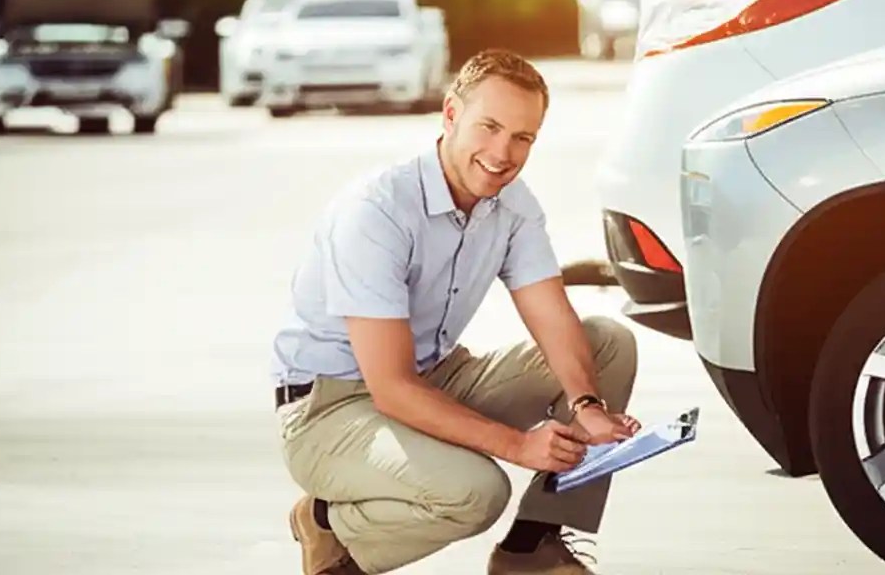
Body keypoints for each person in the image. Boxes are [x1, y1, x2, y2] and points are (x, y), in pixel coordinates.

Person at [271, 49, 640, 575]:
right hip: (330, 409)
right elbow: (391, 387)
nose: (502, 152)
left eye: (522, 138)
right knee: (476, 492)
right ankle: (330, 527)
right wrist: (519, 446)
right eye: (489, 126)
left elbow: (554, 319)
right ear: (450, 114)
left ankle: (530, 551)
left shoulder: (513, 206)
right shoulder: (377, 213)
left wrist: (587, 406)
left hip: (435, 377)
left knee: (607, 343)